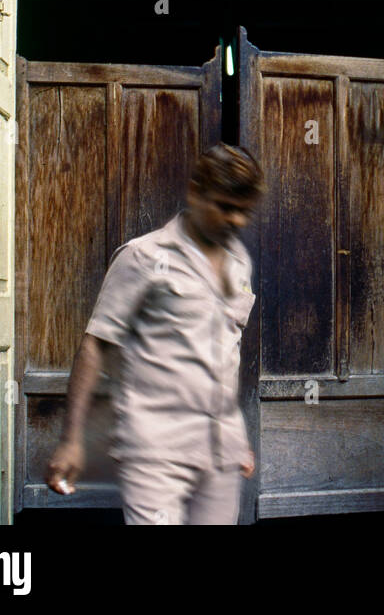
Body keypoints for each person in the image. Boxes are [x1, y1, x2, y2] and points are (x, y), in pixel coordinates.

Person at [45, 141, 264, 525]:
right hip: (155, 449)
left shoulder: (239, 263)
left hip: (220, 452)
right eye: (225, 207)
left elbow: (228, 350)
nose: (237, 222)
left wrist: (236, 436)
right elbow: (96, 344)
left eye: (244, 212)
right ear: (195, 192)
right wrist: (71, 440)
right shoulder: (143, 257)